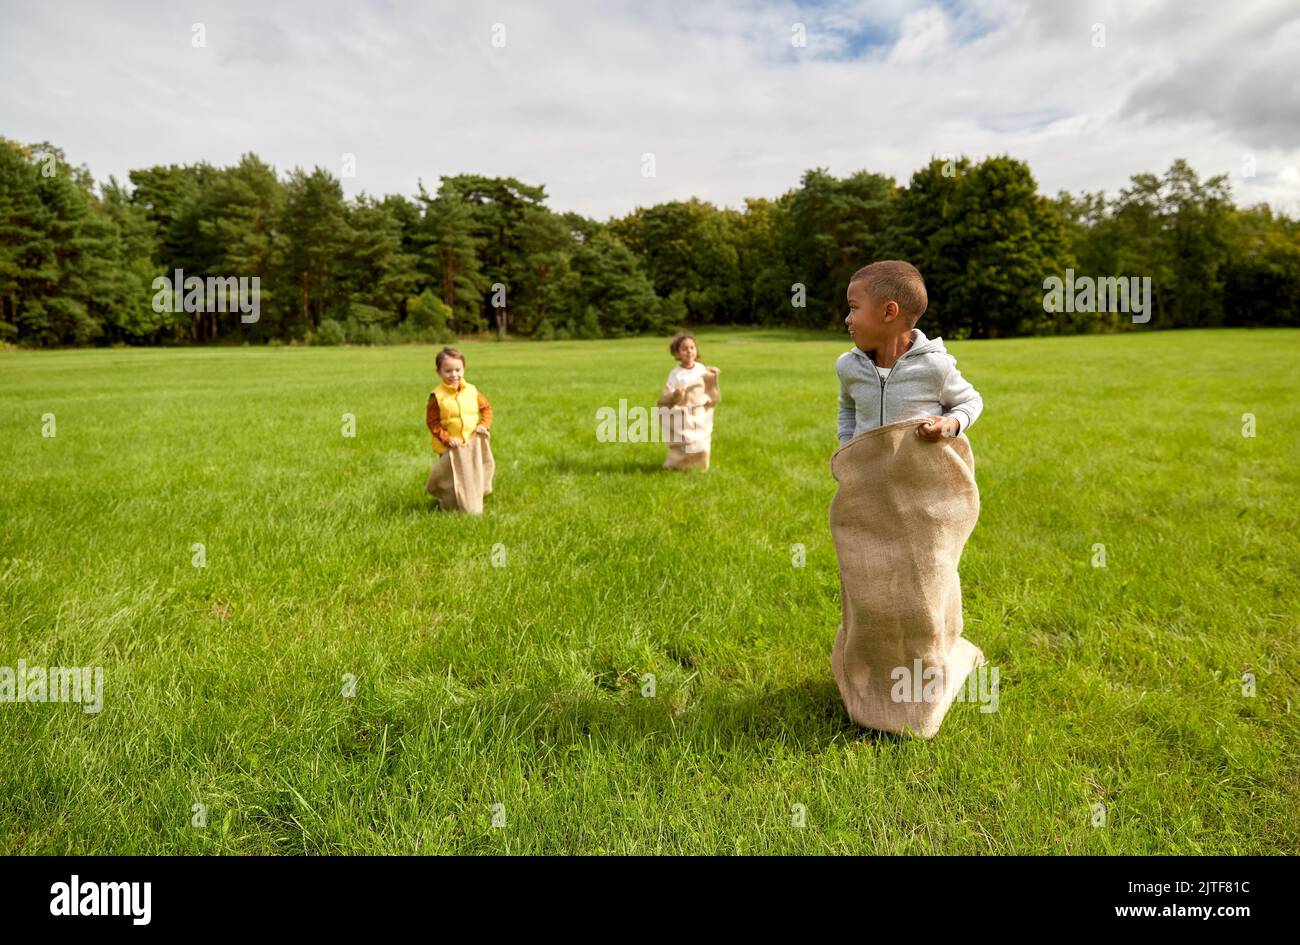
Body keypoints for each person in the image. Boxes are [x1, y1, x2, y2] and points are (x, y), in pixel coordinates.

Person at [836, 260, 983, 444]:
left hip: (921, 472)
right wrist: (847, 450)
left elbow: (971, 401)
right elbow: (848, 410)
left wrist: (949, 426)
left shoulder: (935, 366)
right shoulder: (848, 366)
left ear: (889, 312)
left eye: (853, 308)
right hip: (869, 472)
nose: (847, 319)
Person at [425, 347, 495, 513]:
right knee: (452, 477)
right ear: (439, 372)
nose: (454, 374)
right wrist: (447, 438)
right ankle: (449, 504)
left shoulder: (471, 390)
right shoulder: (437, 396)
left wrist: (483, 425)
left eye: (458, 370)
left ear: (464, 369)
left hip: (471, 444)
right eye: (448, 371)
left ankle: (472, 499)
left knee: (472, 473)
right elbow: (433, 422)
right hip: (450, 447)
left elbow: (487, 409)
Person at [657, 332, 720, 471]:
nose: (689, 351)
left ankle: (700, 467)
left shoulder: (700, 368)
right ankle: (676, 465)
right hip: (683, 412)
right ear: (677, 353)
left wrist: (712, 374)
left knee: (702, 440)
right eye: (684, 349)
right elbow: (669, 392)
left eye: (692, 347)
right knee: (685, 441)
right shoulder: (676, 373)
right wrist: (676, 393)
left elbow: (705, 384)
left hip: (699, 412)